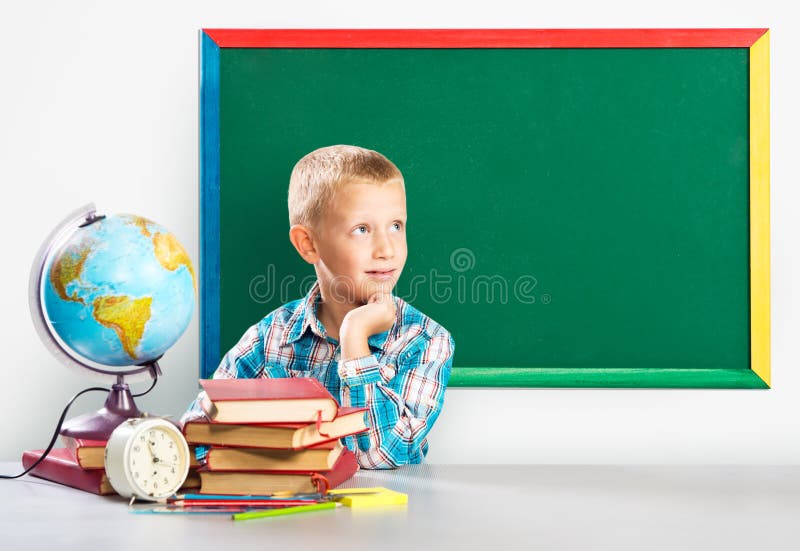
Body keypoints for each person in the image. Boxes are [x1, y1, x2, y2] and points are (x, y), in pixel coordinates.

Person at [181, 144, 455, 469]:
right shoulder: (270, 337)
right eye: (362, 230)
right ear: (308, 244)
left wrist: (355, 339)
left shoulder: (426, 341)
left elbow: (381, 453)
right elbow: (195, 436)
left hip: (384, 517)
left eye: (396, 225)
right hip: (288, 512)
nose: (387, 249)